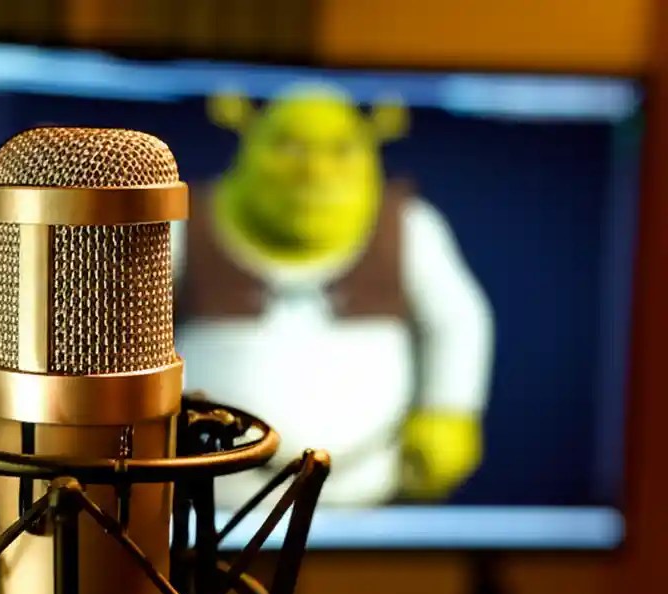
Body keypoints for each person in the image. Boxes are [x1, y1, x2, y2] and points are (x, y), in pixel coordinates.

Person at [174, 82, 493, 507]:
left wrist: (450, 411)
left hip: (365, 493)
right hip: (212, 500)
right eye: (289, 148)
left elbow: (457, 321)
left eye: (339, 151)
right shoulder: (184, 223)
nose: (315, 172)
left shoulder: (410, 227)